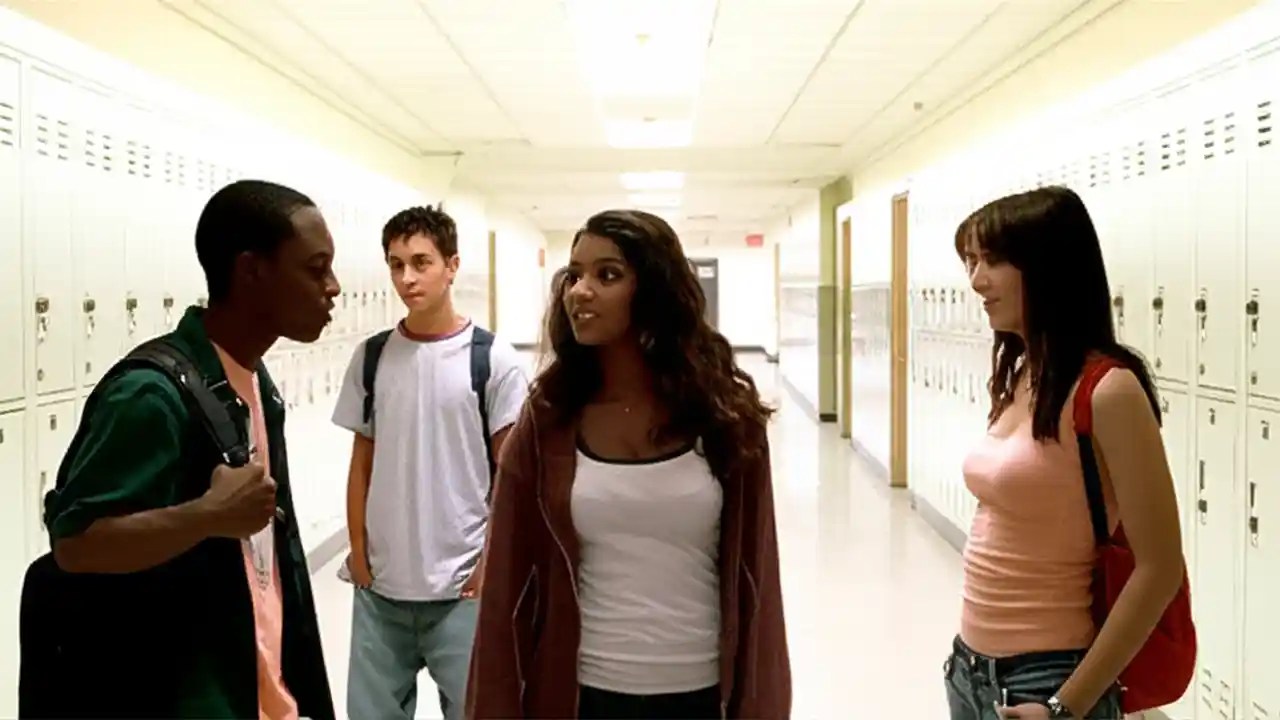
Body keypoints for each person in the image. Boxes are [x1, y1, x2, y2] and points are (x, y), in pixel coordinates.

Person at [466, 209, 791, 720]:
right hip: (584, 694)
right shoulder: (547, 420)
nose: (580, 290)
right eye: (574, 274)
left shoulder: (724, 417)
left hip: (701, 693)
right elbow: (506, 585)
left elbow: (758, 583)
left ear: (655, 290)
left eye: (607, 275)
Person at [41, 179, 340, 719]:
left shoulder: (254, 385)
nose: (334, 287)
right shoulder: (151, 395)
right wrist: (207, 517)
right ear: (252, 271)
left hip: (261, 694)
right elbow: (77, 543)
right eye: (316, 269)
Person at [945, 186, 1187, 719]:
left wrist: (1063, 707)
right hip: (969, 670)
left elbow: (1160, 566)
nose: (976, 281)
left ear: (1049, 267)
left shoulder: (1108, 389)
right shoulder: (1025, 374)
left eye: (995, 260)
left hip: (1047, 679)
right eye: (972, 261)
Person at [332, 205, 529, 720]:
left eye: (421, 262)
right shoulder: (373, 357)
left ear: (452, 265)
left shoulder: (491, 359)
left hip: (462, 589)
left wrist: (490, 568)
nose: (407, 277)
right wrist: (358, 552)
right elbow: (362, 465)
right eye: (396, 264)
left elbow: (511, 479)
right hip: (381, 590)